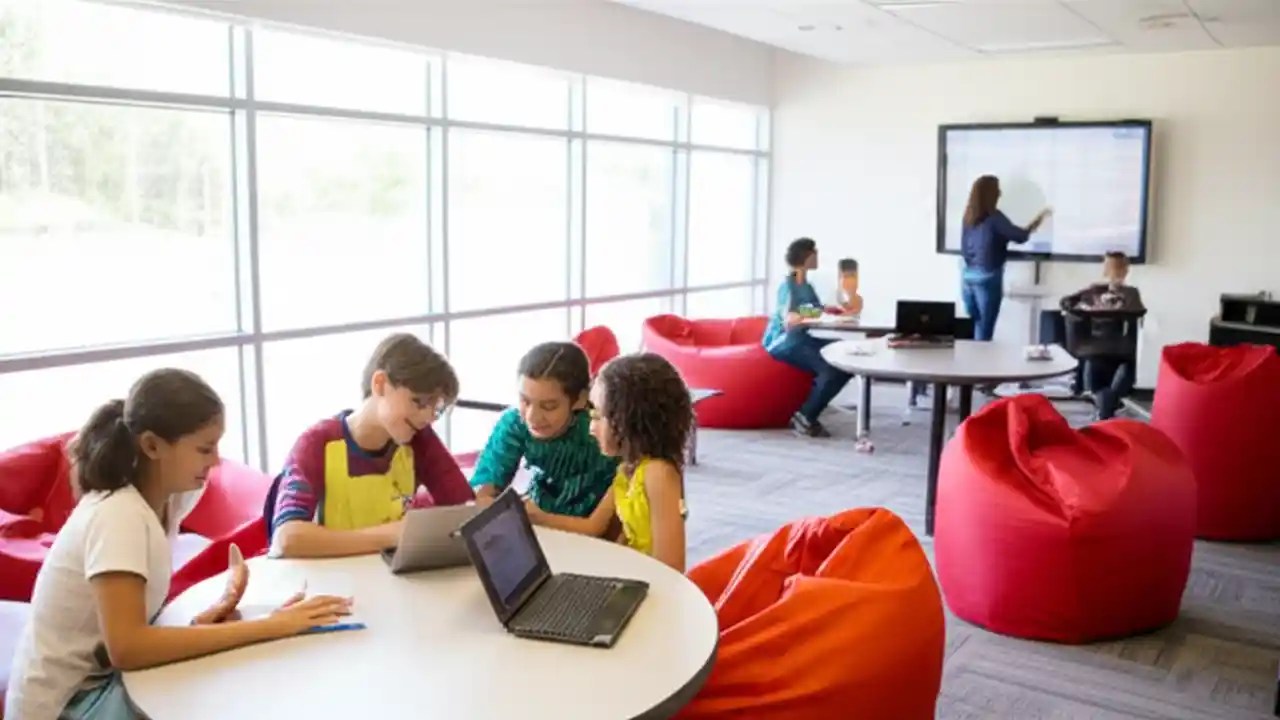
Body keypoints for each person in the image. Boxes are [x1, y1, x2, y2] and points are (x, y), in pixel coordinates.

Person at [5, 369, 351, 720]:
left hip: (102, 680)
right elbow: (127, 648)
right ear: (152, 446)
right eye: (204, 449)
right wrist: (271, 626)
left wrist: (210, 627)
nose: (216, 461)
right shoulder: (117, 515)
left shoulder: (168, 501)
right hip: (67, 705)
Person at [269, 333, 474, 558]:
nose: (427, 417)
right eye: (419, 401)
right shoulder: (317, 443)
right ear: (380, 385)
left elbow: (466, 510)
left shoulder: (419, 439)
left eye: (437, 409)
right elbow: (287, 537)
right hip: (329, 584)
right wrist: (392, 535)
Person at [524, 354, 692, 573]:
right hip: (639, 575)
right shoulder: (627, 469)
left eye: (597, 415)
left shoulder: (657, 474)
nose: (591, 428)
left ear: (629, 420)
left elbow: (672, 567)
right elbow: (593, 526)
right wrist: (536, 516)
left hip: (657, 586)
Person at [470, 342, 618, 525]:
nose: (533, 417)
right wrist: (483, 497)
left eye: (549, 406)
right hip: (539, 515)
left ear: (581, 399)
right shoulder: (516, 423)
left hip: (599, 522)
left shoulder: (599, 429)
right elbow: (485, 487)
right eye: (525, 401)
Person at [763, 237, 854, 438]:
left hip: (801, 338)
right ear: (807, 256)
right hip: (784, 341)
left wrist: (828, 311)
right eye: (815, 252)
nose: (818, 256)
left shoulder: (805, 283)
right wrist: (819, 314)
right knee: (832, 368)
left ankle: (808, 412)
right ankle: (805, 417)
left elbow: (809, 309)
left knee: (847, 356)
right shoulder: (789, 283)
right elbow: (790, 317)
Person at [959, 175, 1052, 341]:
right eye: (997, 190)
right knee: (984, 332)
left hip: (967, 277)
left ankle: (972, 363)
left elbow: (965, 249)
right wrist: (1039, 219)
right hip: (987, 278)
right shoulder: (995, 218)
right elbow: (1020, 236)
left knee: (975, 327)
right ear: (990, 194)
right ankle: (980, 365)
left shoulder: (968, 217)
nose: (1000, 193)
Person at [1060, 251, 1146, 419]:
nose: (1113, 272)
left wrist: (1115, 302)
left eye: (1118, 268)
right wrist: (1088, 301)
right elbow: (1066, 302)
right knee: (1098, 388)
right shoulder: (1094, 291)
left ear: (1125, 270)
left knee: (1111, 390)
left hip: (1121, 349)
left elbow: (1136, 310)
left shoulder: (1130, 293)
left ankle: (1105, 411)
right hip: (1094, 348)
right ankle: (1105, 410)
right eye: (1109, 267)